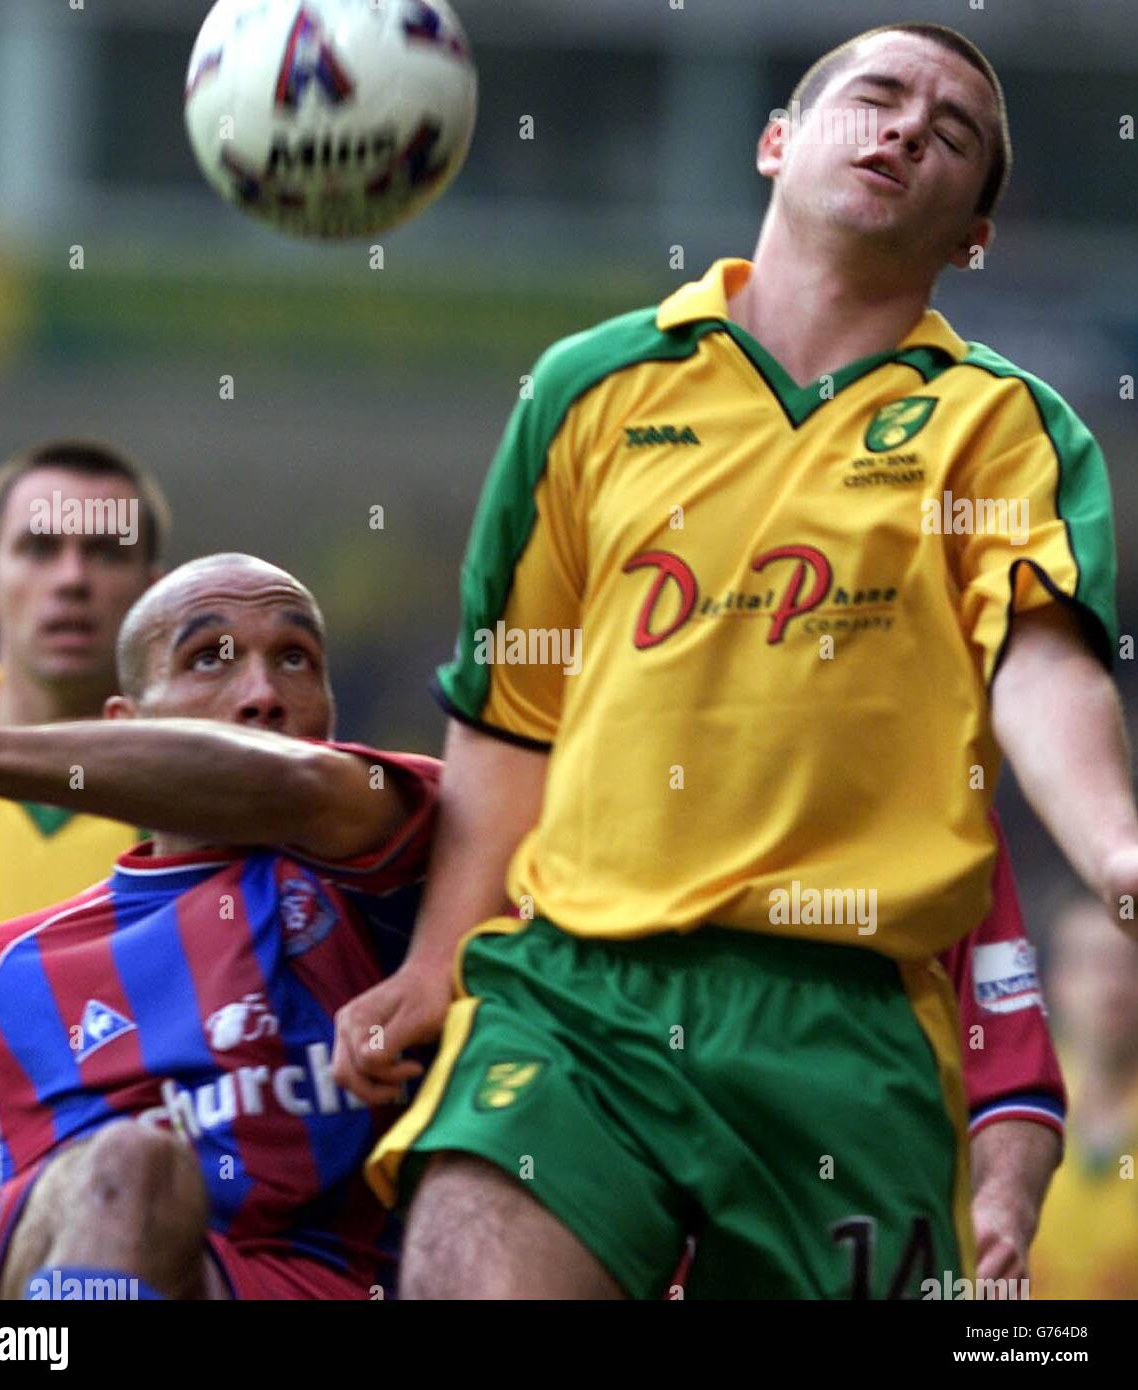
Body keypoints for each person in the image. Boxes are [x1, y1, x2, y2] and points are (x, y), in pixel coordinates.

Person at [334, 22, 1131, 1299]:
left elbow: (1037, 664)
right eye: (876, 97)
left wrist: (1117, 851)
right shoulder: (586, 388)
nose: (909, 127)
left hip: (851, 1028)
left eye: (954, 132)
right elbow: (510, 714)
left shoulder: (1006, 426)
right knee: (469, 1263)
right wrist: (438, 960)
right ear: (777, 142)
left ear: (972, 236)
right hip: (577, 986)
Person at [0, 553, 438, 1300]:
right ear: (123, 728)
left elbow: (288, 783)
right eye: (208, 660)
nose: (262, 695)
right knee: (126, 1170)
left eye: (295, 659)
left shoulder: (414, 856)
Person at [0, 440, 170, 1049]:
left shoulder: (208, 803)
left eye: (105, 553)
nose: (72, 578)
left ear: (154, 597)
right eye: (39, 548)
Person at [1029, 898, 1138, 1299]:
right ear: (1054, 981)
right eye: (1091, 963)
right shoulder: (1009, 1115)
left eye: (1130, 964)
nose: (1113, 987)